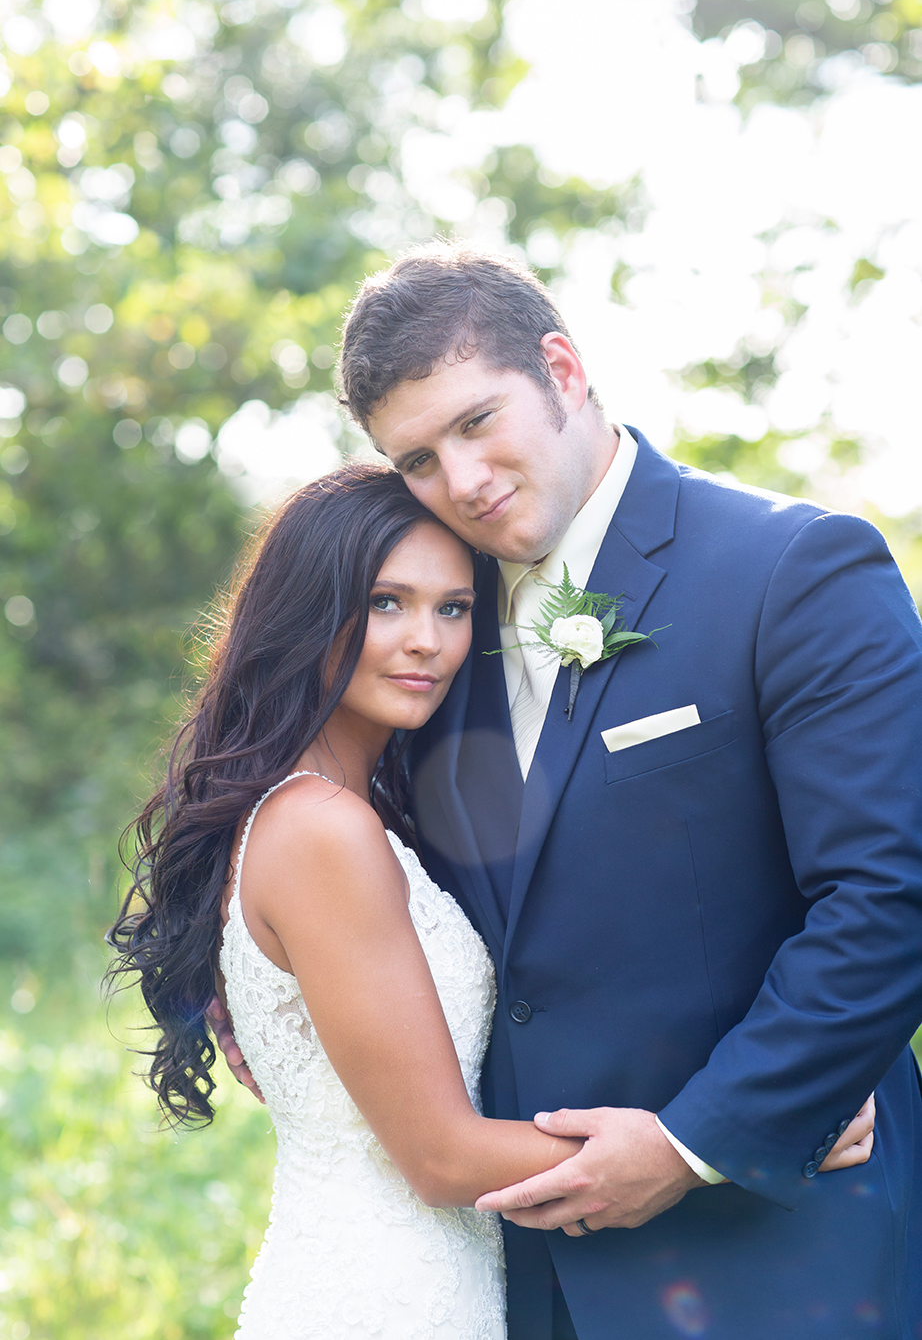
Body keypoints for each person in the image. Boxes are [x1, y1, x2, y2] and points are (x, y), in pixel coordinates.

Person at [328, 245, 922, 1340]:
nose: (459, 480)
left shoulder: (793, 571)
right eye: (415, 458)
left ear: (561, 367)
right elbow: (314, 816)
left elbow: (888, 899)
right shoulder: (425, 629)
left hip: (772, 1258)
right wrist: (253, 992)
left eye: (475, 422)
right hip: (517, 1274)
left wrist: (705, 1136)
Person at [109, 464, 612, 1339]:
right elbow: (442, 1156)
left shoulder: (349, 811)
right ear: (308, 613)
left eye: (453, 608)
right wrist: (714, 1144)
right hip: (379, 1303)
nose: (428, 640)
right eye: (388, 602)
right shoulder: (321, 830)